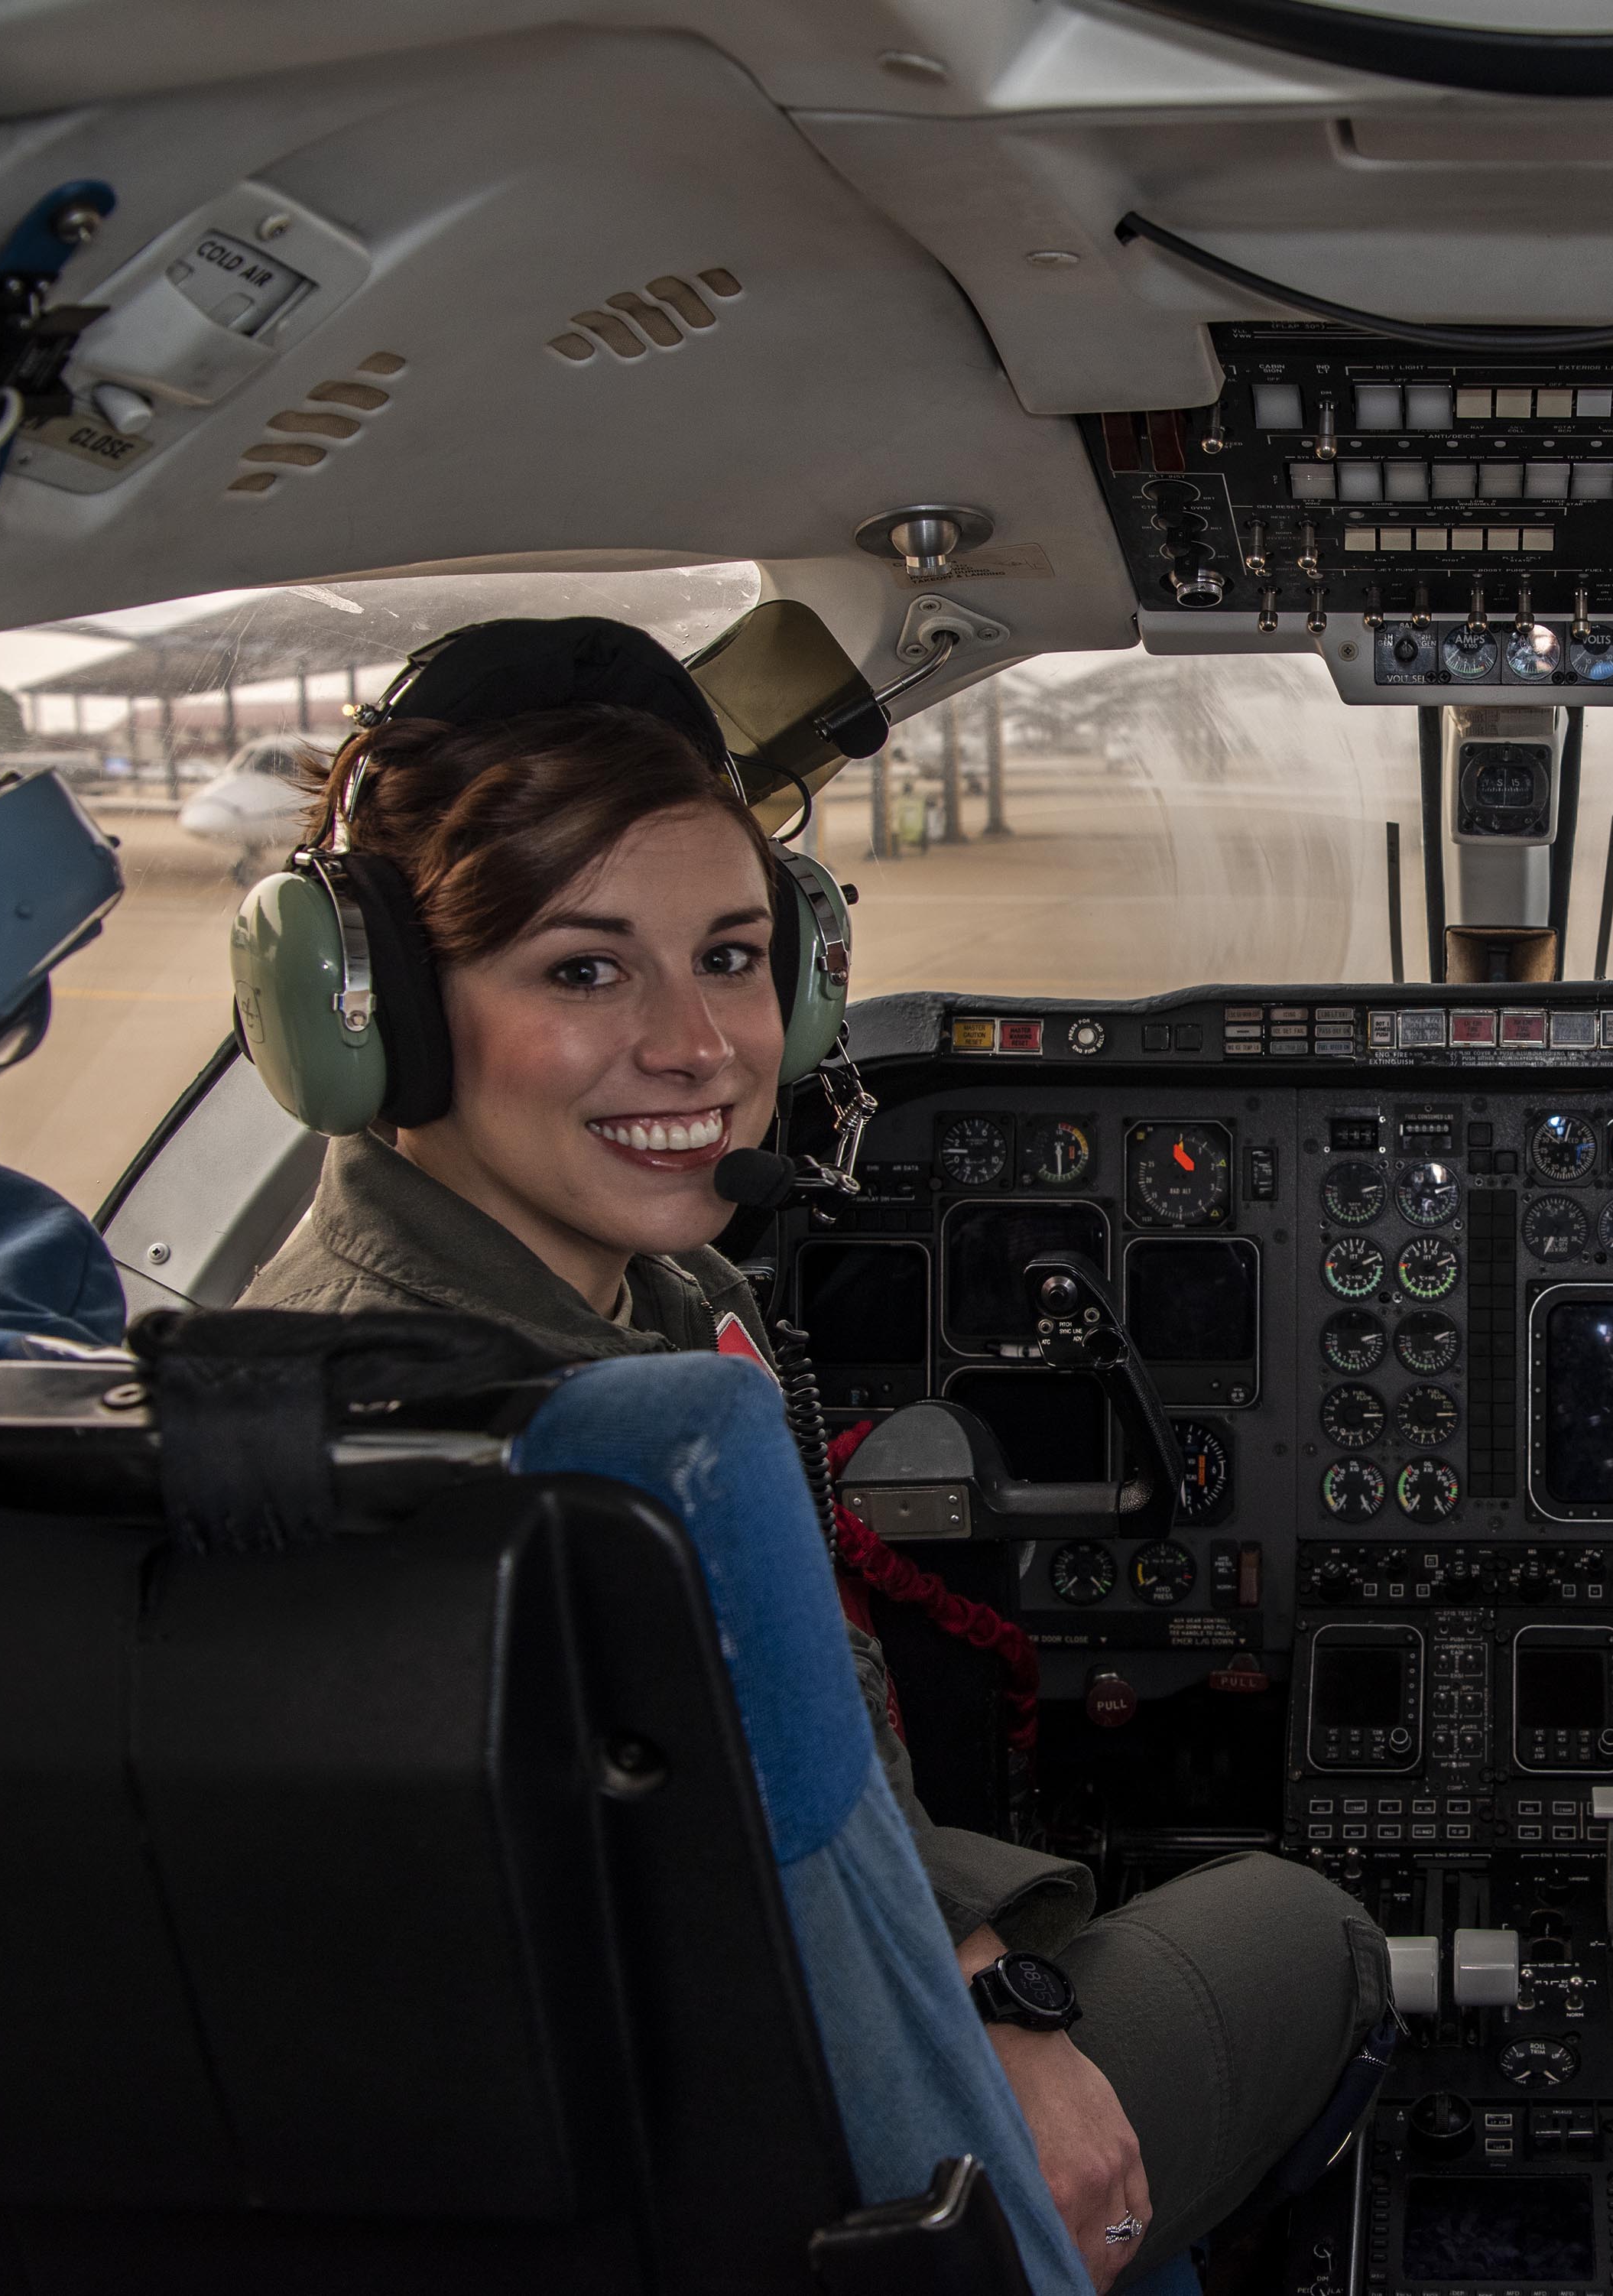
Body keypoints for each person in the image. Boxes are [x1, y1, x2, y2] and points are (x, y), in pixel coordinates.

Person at [241, 620, 1385, 2285]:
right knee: (1309, 1927)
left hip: (586, 2145)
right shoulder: (573, 1457)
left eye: (728, 953)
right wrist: (995, 2019)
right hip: (774, 2167)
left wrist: (980, 1963)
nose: (703, 1046)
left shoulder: (306, 1367)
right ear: (382, 1019)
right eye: (582, 967)